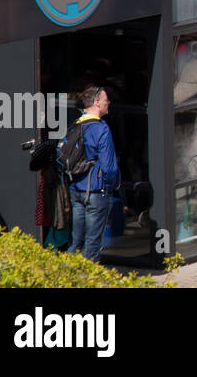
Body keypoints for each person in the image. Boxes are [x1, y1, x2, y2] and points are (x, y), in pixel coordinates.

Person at [67, 85, 120, 264]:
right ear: (96, 102)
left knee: (76, 241)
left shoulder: (75, 124)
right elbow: (109, 167)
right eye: (106, 100)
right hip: (96, 192)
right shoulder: (101, 129)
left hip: (75, 190)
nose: (109, 103)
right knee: (92, 243)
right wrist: (108, 187)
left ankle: (67, 275)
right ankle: (88, 279)